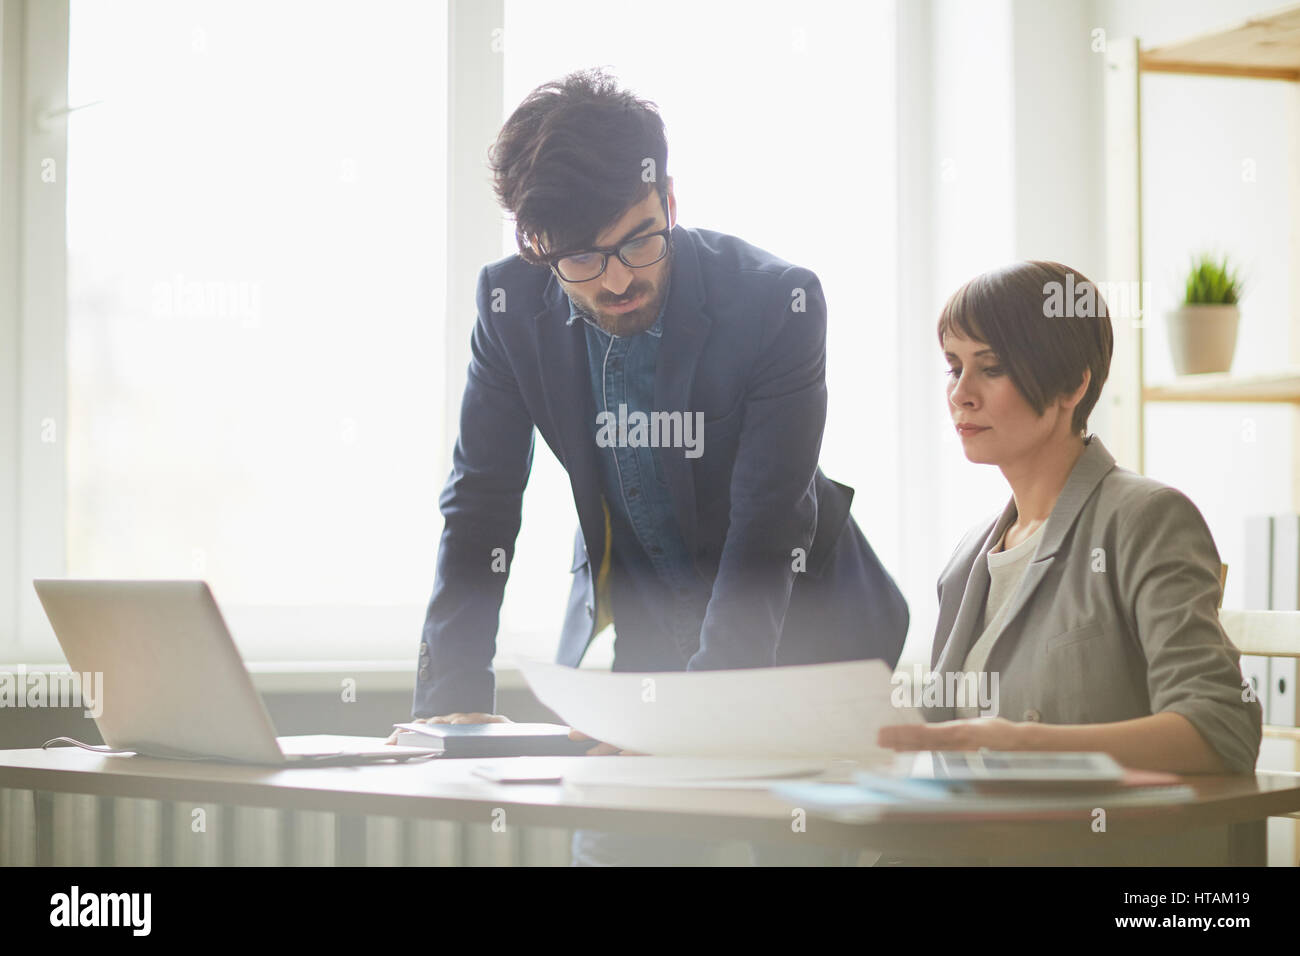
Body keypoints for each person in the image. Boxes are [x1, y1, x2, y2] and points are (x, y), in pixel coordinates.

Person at [401, 69, 908, 865]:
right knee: (616, 850)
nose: (617, 279)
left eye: (638, 238)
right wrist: (452, 710)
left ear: (669, 199)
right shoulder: (508, 308)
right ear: (535, 247)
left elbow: (767, 530)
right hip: (647, 648)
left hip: (806, 641)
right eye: (580, 258)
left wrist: (694, 728)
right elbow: (480, 507)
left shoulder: (777, 304)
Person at [877, 260, 1262, 779]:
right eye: (954, 366)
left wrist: (1027, 743)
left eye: (991, 368)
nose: (961, 392)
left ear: (1071, 387)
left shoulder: (1147, 519)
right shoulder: (968, 557)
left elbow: (1221, 728)